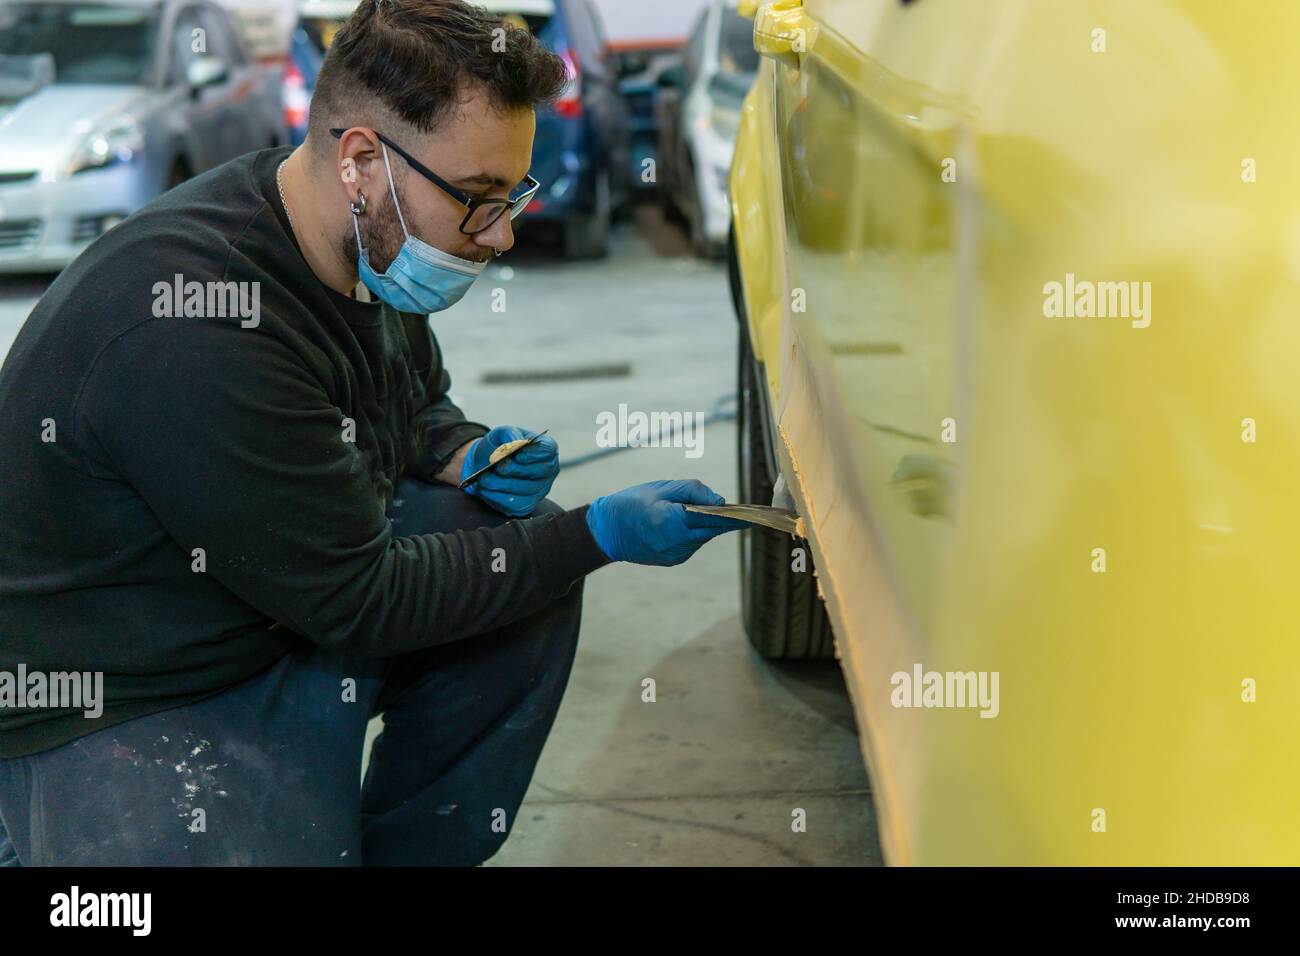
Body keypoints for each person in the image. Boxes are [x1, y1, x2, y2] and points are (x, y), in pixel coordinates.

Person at [0, 0, 744, 865]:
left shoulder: (353, 245)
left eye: (514, 195)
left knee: (508, 565)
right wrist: (593, 533)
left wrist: (461, 449)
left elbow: (412, 398)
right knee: (538, 555)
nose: (501, 235)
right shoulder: (198, 326)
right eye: (479, 199)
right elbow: (365, 601)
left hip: (268, 605)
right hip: (121, 689)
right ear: (362, 161)